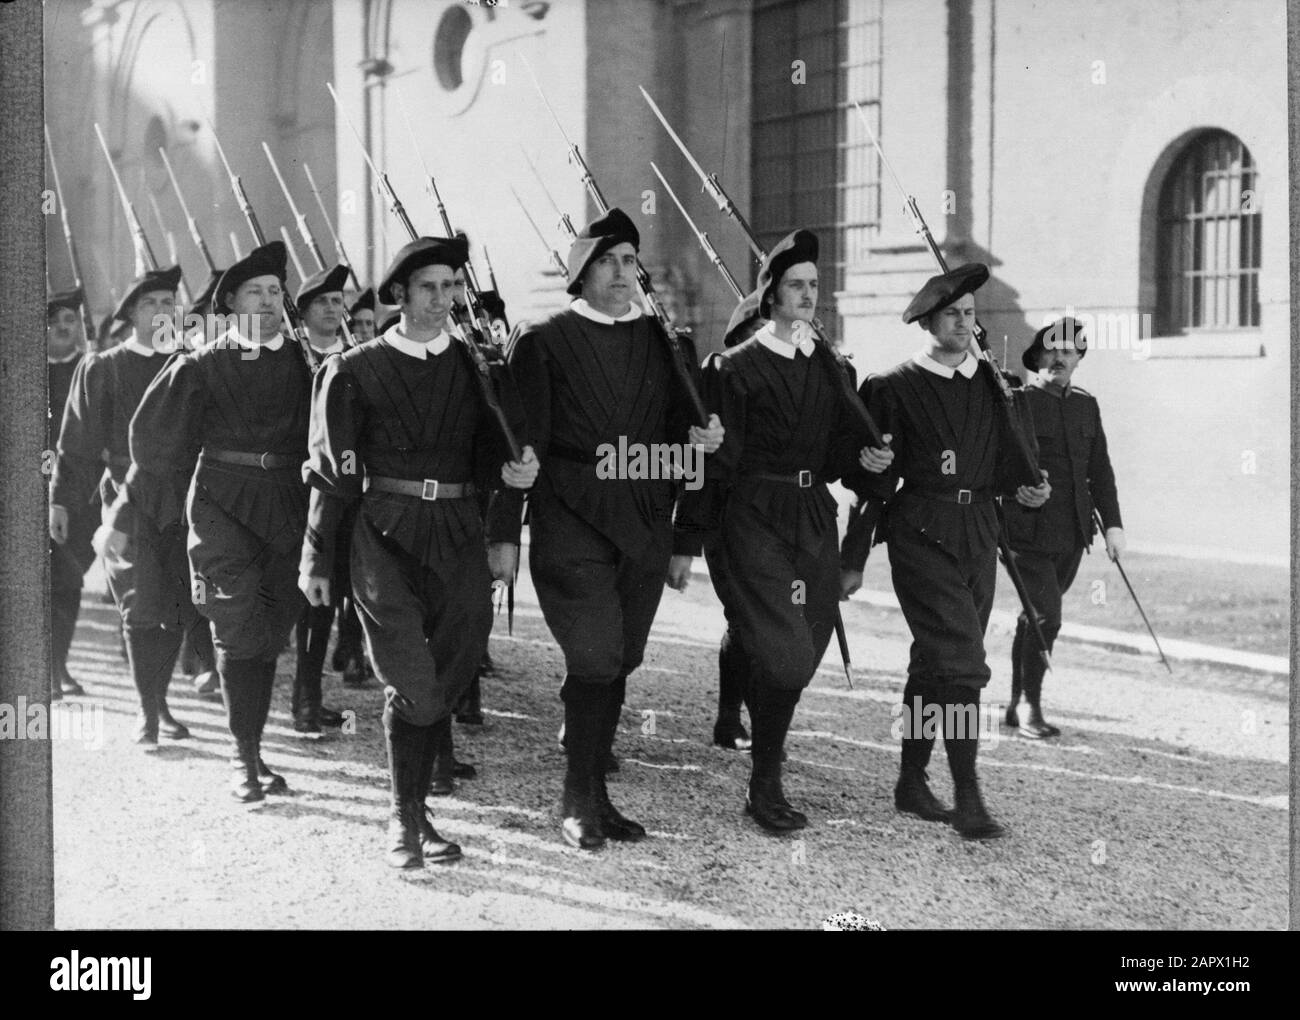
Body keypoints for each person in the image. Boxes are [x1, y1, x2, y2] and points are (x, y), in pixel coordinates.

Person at [488, 208, 724, 850]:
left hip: (645, 521)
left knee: (620, 659)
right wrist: (504, 532)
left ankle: (596, 791)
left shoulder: (668, 345)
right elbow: (519, 445)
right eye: (608, 262)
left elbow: (688, 444)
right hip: (572, 517)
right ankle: (575, 797)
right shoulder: (543, 341)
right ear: (581, 274)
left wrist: (686, 531)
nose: (622, 273)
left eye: (629, 262)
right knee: (594, 655)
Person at [300, 235, 537, 868]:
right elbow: (332, 475)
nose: (443, 299)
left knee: (454, 666)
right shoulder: (352, 370)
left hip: (458, 531)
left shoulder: (479, 368)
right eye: (428, 287)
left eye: (451, 286)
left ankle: (416, 815)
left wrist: (509, 506)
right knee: (411, 675)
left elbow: (501, 454)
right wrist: (318, 559)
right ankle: (406, 822)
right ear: (400, 295)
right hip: (382, 535)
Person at [677, 229, 870, 832]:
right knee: (784, 652)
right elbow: (708, 463)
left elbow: (840, 452)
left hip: (814, 516)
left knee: (806, 644)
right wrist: (687, 541)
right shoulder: (732, 369)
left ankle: (762, 756)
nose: (809, 294)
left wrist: (865, 462)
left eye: (815, 284)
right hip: (751, 517)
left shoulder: (835, 367)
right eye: (796, 285)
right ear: (771, 296)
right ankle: (765, 784)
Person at [853, 264, 1050, 840]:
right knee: (963, 662)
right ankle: (968, 797)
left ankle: (910, 783)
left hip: (979, 531)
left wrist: (1029, 489)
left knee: (935, 661)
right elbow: (872, 484)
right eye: (951, 316)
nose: (963, 325)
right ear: (928, 323)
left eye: (969, 315)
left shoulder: (995, 387)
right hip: (920, 529)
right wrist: (852, 556)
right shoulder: (894, 387)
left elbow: (1016, 464)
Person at [111, 241, 312, 799]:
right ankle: (242, 758)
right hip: (223, 508)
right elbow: (153, 445)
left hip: (288, 509)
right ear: (231, 303)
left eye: (276, 291)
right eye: (256, 292)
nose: (270, 301)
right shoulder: (201, 364)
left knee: (269, 633)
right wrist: (166, 512)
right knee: (235, 622)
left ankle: (254, 749)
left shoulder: (307, 363)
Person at [51, 266, 200, 746]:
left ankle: (163, 704)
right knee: (138, 605)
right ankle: (148, 711)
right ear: (131, 314)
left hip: (184, 501)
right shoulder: (103, 368)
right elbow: (75, 447)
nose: (163, 311)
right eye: (152, 303)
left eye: (168, 303)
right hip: (126, 501)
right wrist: (60, 500)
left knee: (177, 605)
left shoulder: (188, 366)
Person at [1002, 317, 1123, 737]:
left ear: (1078, 359)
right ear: (1037, 357)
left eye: (1069, 351)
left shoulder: (1086, 405)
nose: (1060, 357)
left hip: (1072, 532)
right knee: (1046, 617)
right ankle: (1032, 706)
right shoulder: (1018, 402)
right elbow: (999, 463)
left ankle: (1015, 701)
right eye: (1052, 349)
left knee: (1034, 616)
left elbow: (1100, 470)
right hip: (1024, 531)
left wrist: (1113, 526)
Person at [290, 264, 351, 735]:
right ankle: (301, 702)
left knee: (324, 601)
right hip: (292, 494)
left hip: (338, 497)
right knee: (301, 602)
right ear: (304, 312)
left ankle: (311, 697)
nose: (333, 309)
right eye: (323, 302)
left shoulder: (356, 358)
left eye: (338, 301)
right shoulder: (290, 357)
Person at [46, 289, 95, 699]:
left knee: (71, 578)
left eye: (70, 320)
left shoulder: (91, 369)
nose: (63, 328)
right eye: (54, 321)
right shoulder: (24, 369)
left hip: (80, 494)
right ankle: (48, 667)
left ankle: (58, 663)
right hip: (28, 492)